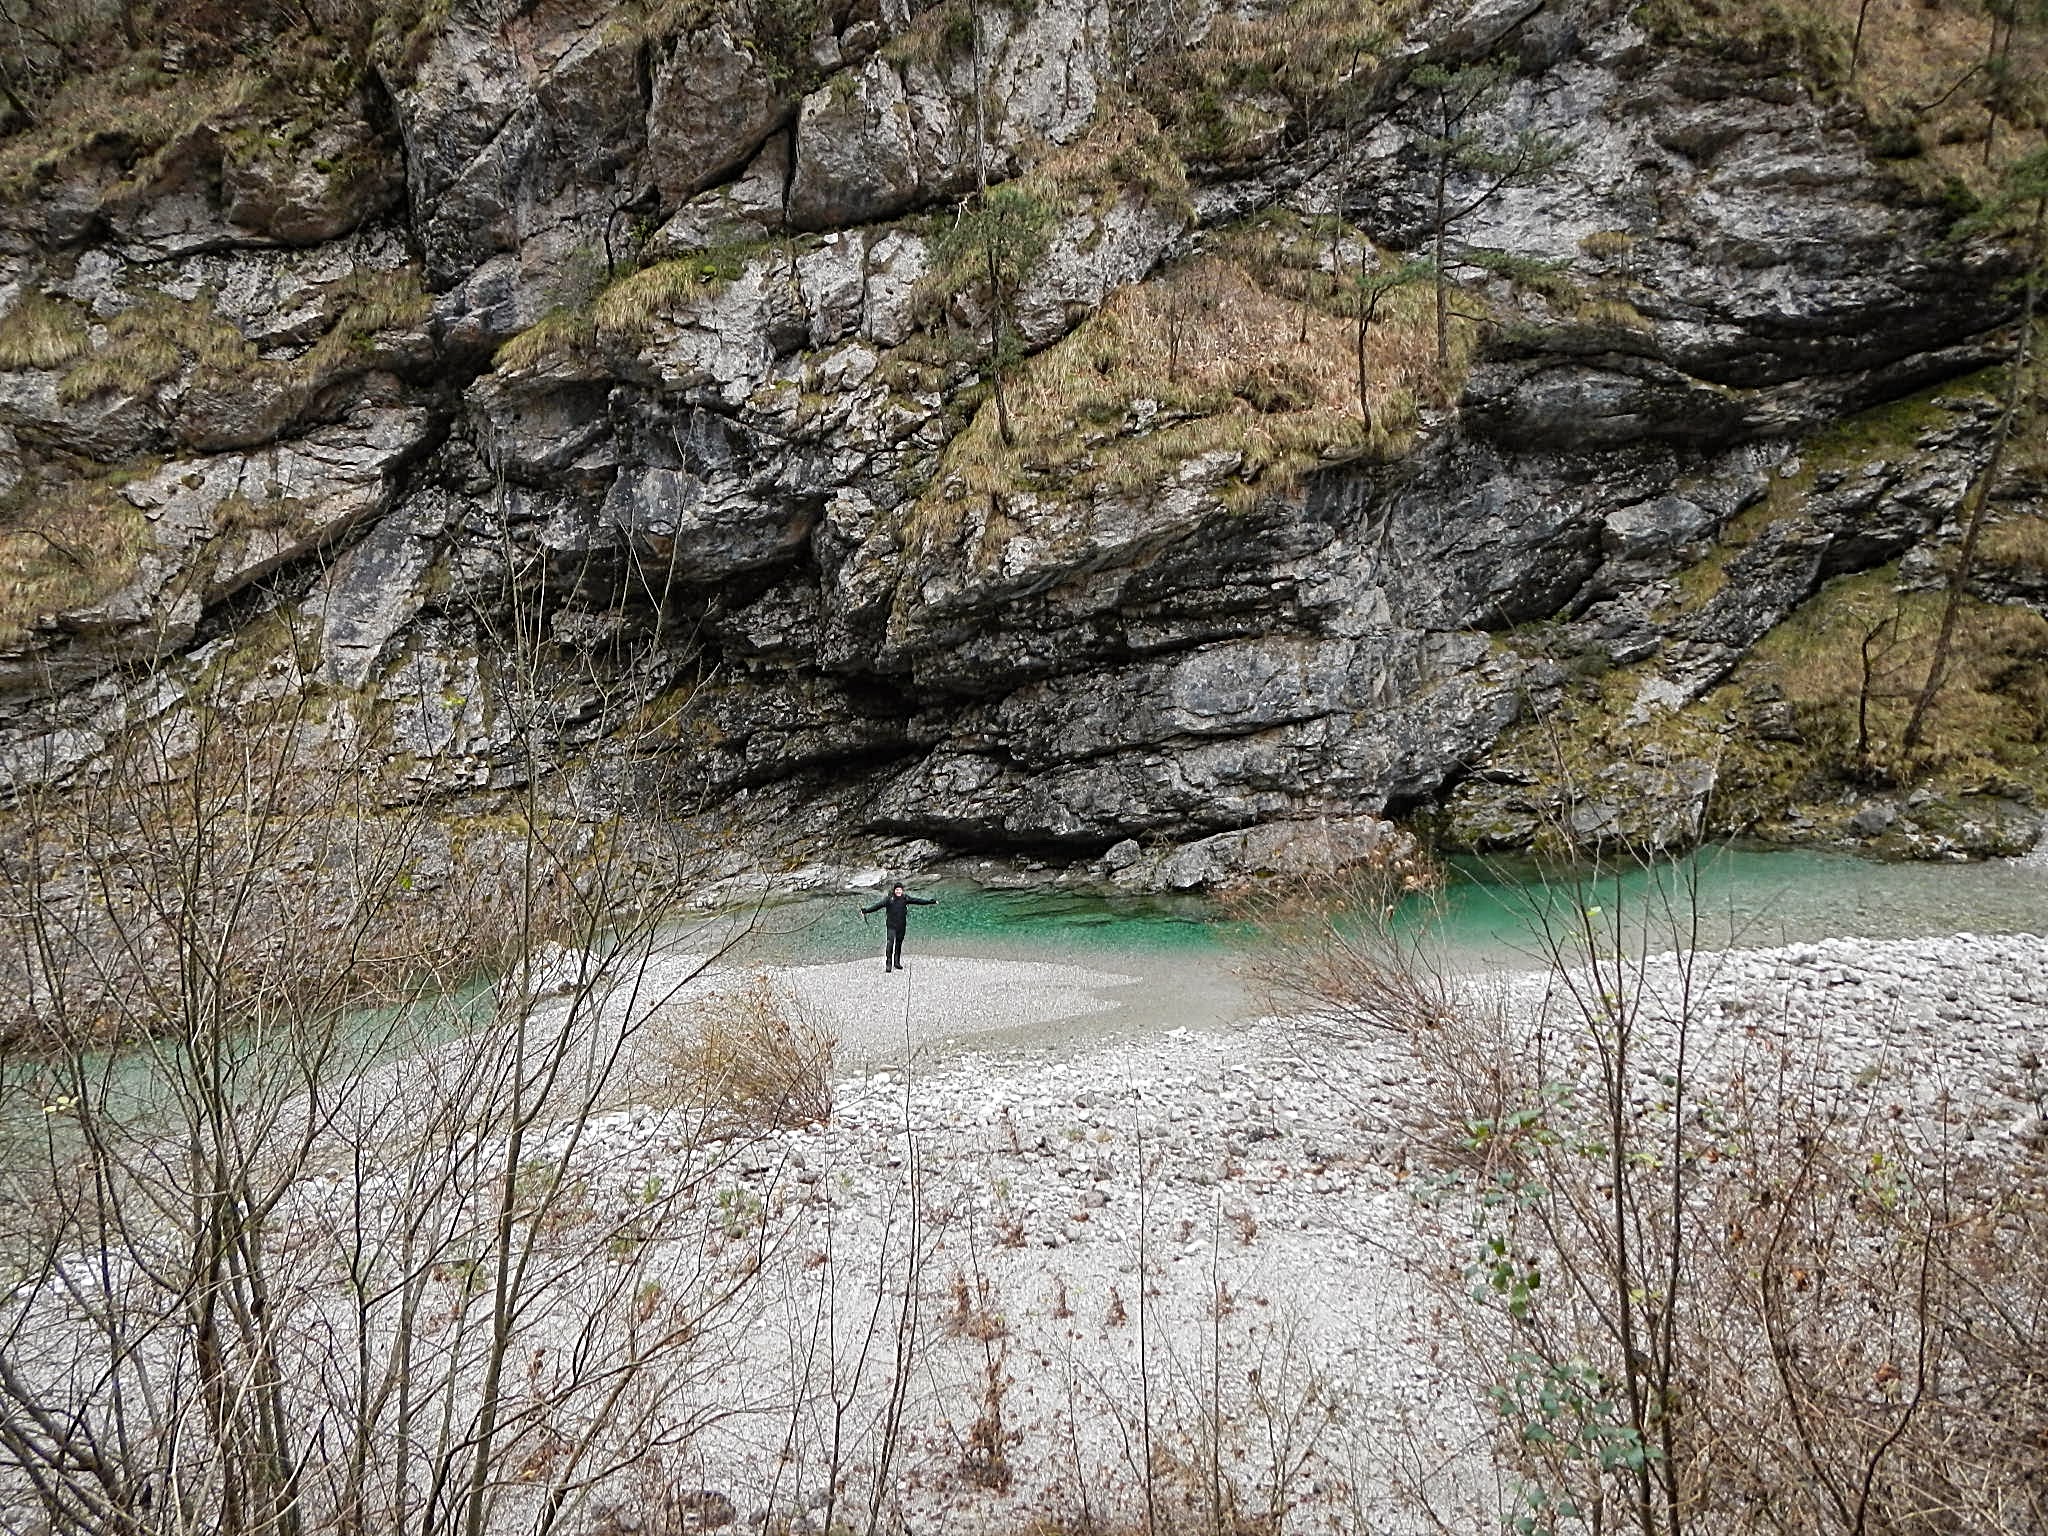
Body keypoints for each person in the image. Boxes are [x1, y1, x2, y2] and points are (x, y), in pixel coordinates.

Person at [861, 883, 936, 972]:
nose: (898, 891)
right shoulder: (889, 899)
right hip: (891, 926)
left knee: (899, 944)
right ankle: (888, 963)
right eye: (897, 890)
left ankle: (897, 962)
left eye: (900, 889)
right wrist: (867, 910)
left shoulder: (905, 898)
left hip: (901, 925)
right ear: (894, 890)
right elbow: (877, 906)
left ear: (902, 890)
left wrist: (930, 901)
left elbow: (918, 901)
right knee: (890, 944)